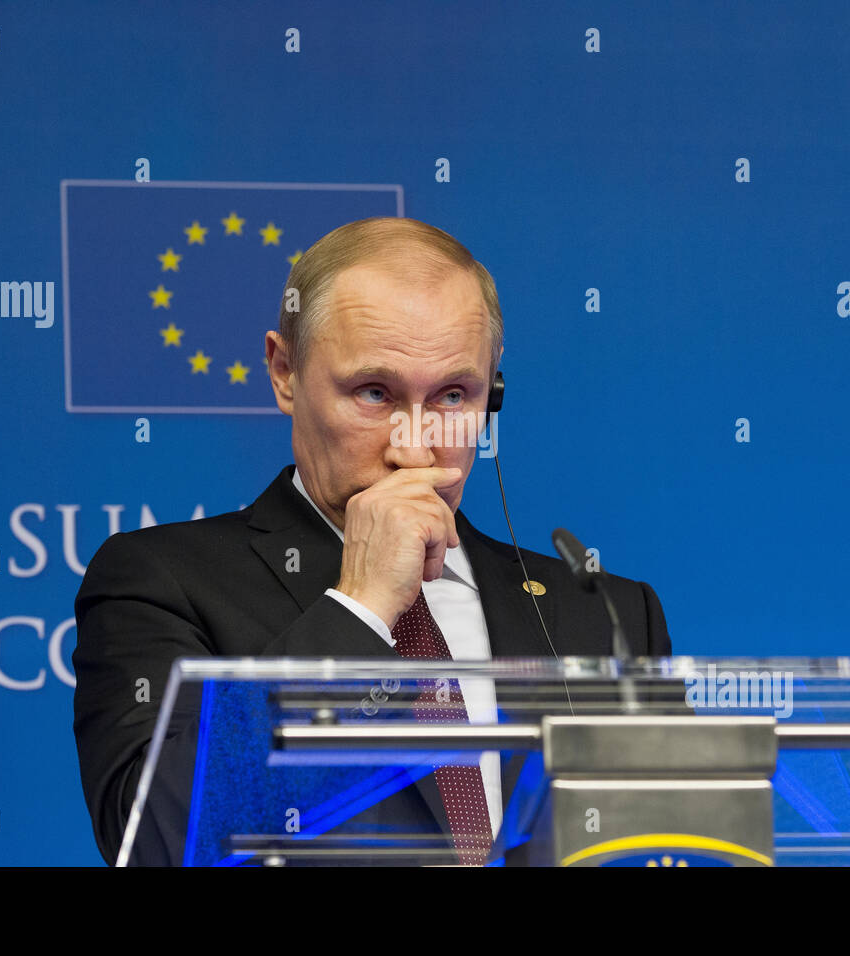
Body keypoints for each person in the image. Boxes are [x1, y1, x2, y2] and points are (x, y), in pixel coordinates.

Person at [72, 216, 672, 866]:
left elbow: (678, 841)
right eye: (375, 393)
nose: (414, 446)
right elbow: (154, 843)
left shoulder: (603, 615)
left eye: (452, 395)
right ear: (284, 372)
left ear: (492, 392)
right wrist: (358, 611)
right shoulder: (161, 583)